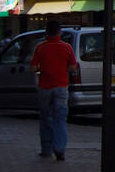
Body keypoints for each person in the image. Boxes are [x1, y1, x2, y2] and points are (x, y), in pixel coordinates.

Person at [30, 19, 79, 160]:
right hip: (61, 87)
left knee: (46, 117)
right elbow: (72, 67)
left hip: (45, 87)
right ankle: (60, 148)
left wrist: (43, 68)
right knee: (60, 118)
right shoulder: (67, 47)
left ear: (46, 32)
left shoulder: (40, 47)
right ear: (60, 32)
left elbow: (33, 68)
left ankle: (46, 149)